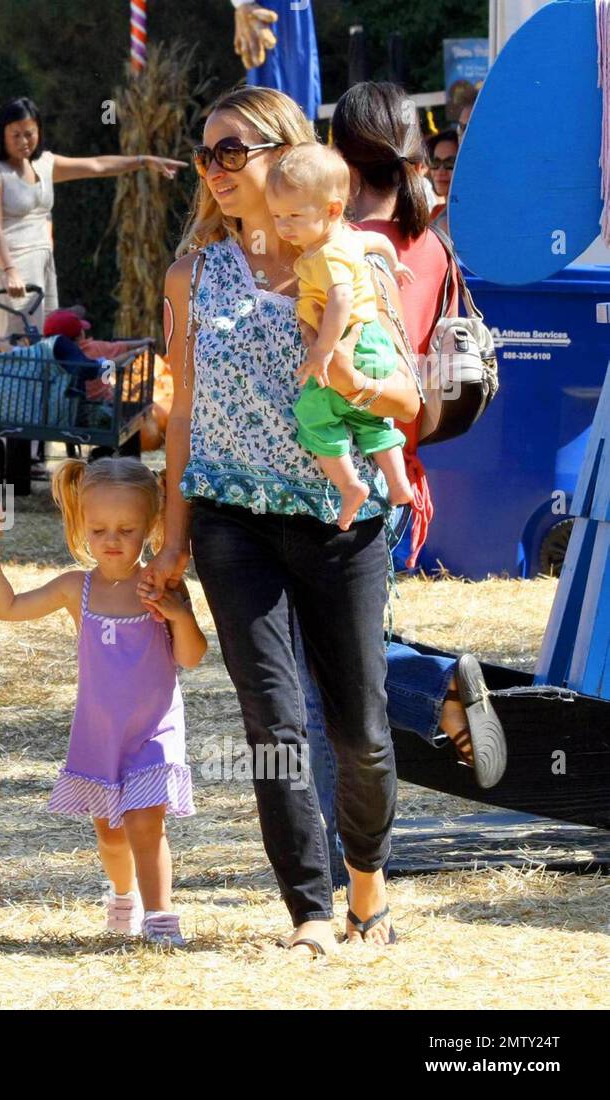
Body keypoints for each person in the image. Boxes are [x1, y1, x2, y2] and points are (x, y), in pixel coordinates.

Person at [145, 85, 424, 956]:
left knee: (361, 730)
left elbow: (407, 397)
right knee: (272, 721)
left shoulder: (359, 260)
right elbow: (183, 412)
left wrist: (350, 383)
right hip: (234, 522)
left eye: (234, 149)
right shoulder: (192, 273)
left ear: (282, 153)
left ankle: (367, 895)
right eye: (206, 153)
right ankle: (308, 910)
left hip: (341, 522)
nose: (215, 168)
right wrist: (176, 531)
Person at [302, 82, 509, 887]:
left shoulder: (338, 246)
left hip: (342, 476)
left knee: (334, 677)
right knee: (344, 664)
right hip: (405, 479)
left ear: (340, 161)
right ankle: (436, 692)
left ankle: (328, 862)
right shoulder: (430, 243)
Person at [0, 457, 205, 945]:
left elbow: (192, 656)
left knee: (144, 824)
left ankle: (160, 918)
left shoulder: (161, 586)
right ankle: (123, 896)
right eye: (98, 529)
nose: (112, 540)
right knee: (111, 834)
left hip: (153, 731)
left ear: (152, 526)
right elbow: (6, 608)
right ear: (80, 525)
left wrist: (178, 615)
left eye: (126, 529)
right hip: (100, 735)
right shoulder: (79, 587)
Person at [265, 142, 415, 529]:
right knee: (370, 422)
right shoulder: (349, 236)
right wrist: (395, 264)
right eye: (278, 215)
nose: (283, 226)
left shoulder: (326, 255)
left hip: (349, 342)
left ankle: (349, 485)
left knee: (313, 414)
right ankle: (399, 485)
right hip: (375, 345)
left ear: (332, 209)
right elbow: (379, 242)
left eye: (294, 215)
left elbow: (341, 298)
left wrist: (323, 351)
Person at [0, 97, 183, 342]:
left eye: (29, 133)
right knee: (15, 345)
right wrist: (9, 270)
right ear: (1, 134)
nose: (24, 142)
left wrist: (143, 161)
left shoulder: (44, 163)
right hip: (7, 265)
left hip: (42, 264)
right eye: (15, 135)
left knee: (45, 342)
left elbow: (95, 165)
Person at [426, 129, 460, 232]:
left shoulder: (465, 216)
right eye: (435, 162)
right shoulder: (436, 211)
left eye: (450, 163)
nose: (440, 171)